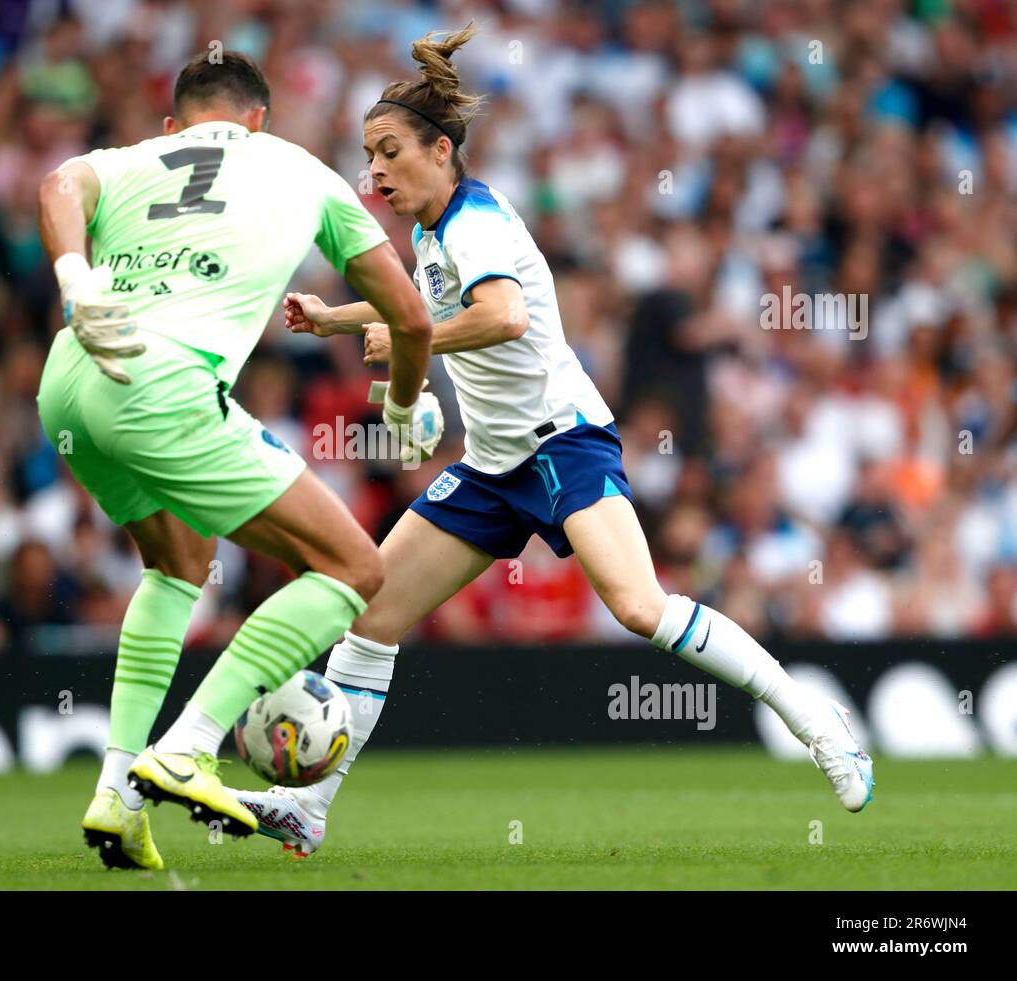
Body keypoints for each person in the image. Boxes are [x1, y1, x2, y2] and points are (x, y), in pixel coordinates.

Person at [230, 23, 874, 857]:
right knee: (373, 613)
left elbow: (504, 315)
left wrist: (403, 342)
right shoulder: (429, 236)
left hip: (564, 445)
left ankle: (816, 721)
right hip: (495, 464)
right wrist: (339, 318)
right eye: (368, 154)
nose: (374, 171)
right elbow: (423, 310)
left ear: (440, 150)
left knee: (640, 607)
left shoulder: (475, 223)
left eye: (389, 152)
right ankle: (310, 808)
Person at [35, 49, 438, 870]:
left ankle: (116, 793)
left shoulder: (135, 158)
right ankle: (189, 745)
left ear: (174, 125)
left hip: (72, 377)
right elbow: (412, 318)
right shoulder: (304, 170)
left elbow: (56, 187)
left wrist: (76, 276)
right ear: (259, 119)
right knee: (354, 566)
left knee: (180, 561)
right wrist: (400, 405)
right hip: (164, 386)